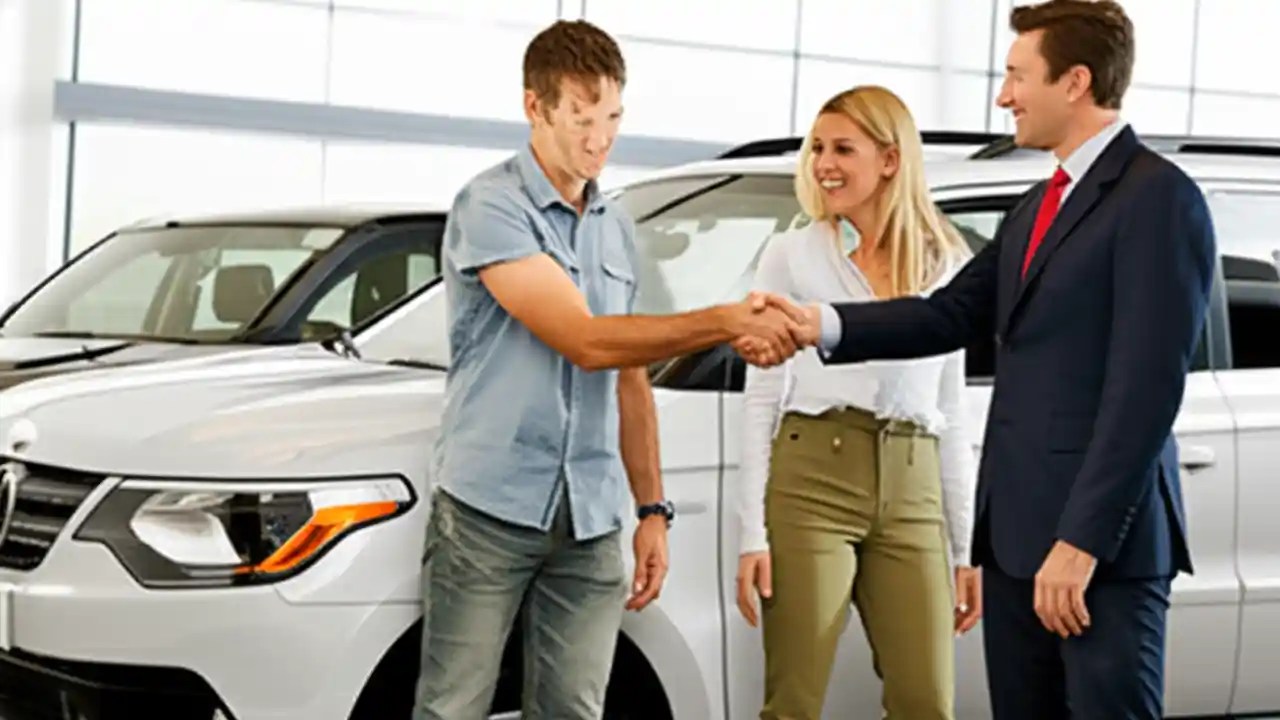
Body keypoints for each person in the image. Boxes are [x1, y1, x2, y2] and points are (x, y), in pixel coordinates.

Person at [745, 2, 1218, 718]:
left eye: (1016, 76)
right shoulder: (1037, 206)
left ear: (1076, 82)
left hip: (1096, 555)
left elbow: (1145, 393)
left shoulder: (1159, 200)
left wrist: (1080, 544)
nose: (1004, 96)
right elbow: (947, 315)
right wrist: (818, 323)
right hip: (1017, 545)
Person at [415, 19, 803, 720]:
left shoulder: (614, 224)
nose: (600, 139)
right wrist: (724, 319)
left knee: (576, 710)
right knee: (451, 707)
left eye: (614, 118)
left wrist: (652, 511)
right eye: (582, 118)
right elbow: (587, 341)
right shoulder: (491, 205)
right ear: (535, 107)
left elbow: (628, 373)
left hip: (591, 517)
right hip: (489, 509)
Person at [734, 85, 983, 720]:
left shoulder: (948, 260)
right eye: (818, 148)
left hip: (914, 483)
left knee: (927, 701)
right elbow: (761, 395)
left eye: (844, 148)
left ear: (891, 160)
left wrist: (964, 548)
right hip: (812, 476)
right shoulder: (791, 254)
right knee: (793, 699)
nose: (824, 163)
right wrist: (750, 535)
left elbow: (951, 412)